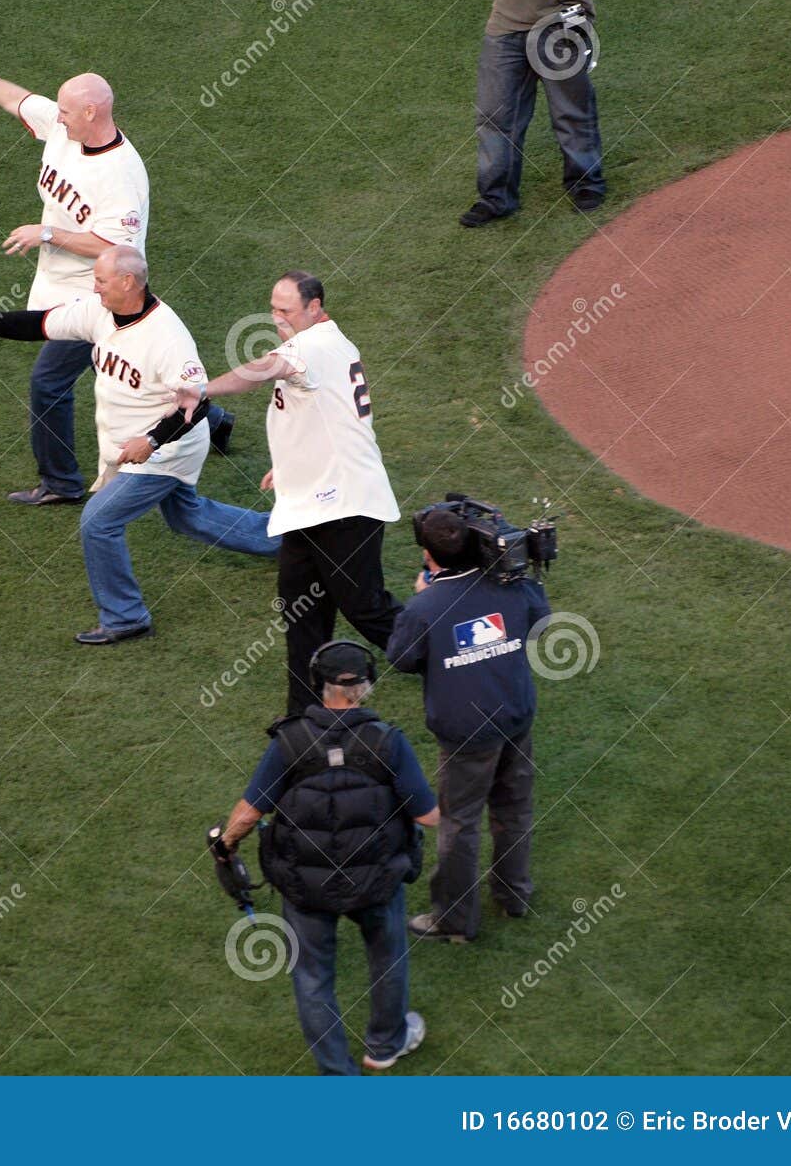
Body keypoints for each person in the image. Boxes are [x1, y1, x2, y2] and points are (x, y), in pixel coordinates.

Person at [0, 61, 234, 505]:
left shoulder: (121, 174)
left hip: (99, 294)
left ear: (91, 113)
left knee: (48, 382)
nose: (56, 117)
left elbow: (116, 247)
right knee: (118, 366)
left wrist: (47, 233)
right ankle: (212, 419)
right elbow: (17, 100)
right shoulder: (67, 130)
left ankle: (60, 484)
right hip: (57, 282)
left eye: (65, 111)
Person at [0, 246, 277, 644]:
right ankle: (293, 542)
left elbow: (199, 402)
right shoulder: (99, 311)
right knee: (186, 517)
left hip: (168, 448)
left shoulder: (168, 338)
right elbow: (39, 323)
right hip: (131, 445)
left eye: (101, 280)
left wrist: (152, 440)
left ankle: (125, 617)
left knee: (99, 520)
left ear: (128, 282)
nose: (95, 286)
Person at [171, 271, 402, 717]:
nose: (276, 319)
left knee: (366, 609)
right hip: (311, 506)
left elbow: (266, 369)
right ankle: (303, 718)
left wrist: (203, 389)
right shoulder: (330, 345)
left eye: (286, 311)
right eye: (273, 309)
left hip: (344, 506)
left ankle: (449, 660)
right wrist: (290, 465)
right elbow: (329, 417)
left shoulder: (310, 346)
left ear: (314, 308)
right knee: (301, 615)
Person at [217, 641, 439, 1074]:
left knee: (313, 977)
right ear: (366, 685)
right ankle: (385, 1044)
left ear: (319, 684)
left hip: (306, 886)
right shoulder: (387, 741)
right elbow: (427, 815)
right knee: (388, 957)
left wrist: (225, 844)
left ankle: (337, 1075)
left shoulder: (289, 741)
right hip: (377, 878)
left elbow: (250, 812)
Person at [384, 506, 552, 942]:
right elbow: (542, 618)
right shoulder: (508, 585)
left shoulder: (426, 605)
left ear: (429, 555)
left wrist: (424, 595)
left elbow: (401, 658)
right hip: (515, 715)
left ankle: (456, 920)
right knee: (513, 809)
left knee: (459, 823)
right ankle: (514, 895)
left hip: (466, 734)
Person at [459, 0, 605, 227]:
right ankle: (496, 198)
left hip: (562, 18)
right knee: (495, 117)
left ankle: (587, 184)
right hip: (507, 19)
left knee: (571, 111)